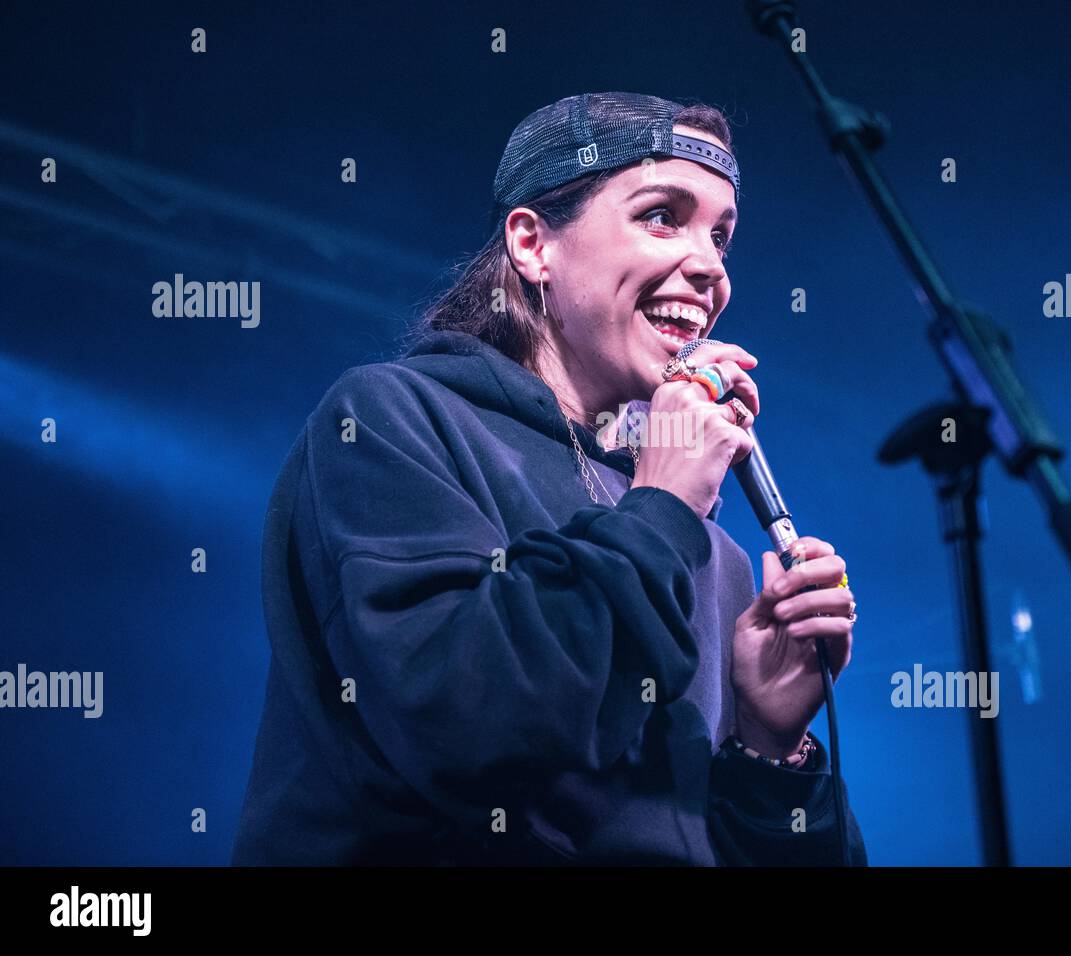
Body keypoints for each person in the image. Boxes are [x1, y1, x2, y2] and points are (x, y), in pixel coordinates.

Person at [232, 91, 867, 865]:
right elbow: (468, 727)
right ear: (534, 244)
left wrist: (771, 745)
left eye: (722, 238)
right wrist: (661, 508)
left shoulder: (710, 553)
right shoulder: (390, 420)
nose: (707, 267)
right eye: (662, 216)